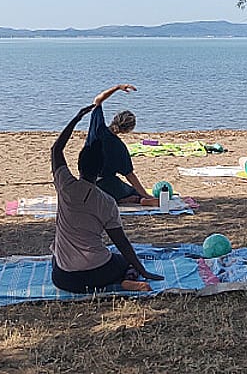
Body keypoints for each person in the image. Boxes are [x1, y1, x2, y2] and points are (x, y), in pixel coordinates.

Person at [50, 90, 164, 294]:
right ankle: (127, 279)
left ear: (79, 164)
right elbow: (122, 243)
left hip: (63, 279)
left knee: (55, 253)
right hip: (98, 273)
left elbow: (56, 150)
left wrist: (76, 119)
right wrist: (143, 270)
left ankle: (120, 279)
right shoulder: (107, 202)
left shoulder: (64, 185)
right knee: (123, 263)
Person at [85, 84, 159, 206]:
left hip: (86, 180)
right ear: (127, 130)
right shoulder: (119, 147)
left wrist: (118, 87)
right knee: (133, 191)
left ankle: (121, 199)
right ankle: (138, 199)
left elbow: (98, 100)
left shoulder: (98, 128)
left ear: (115, 118)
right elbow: (129, 175)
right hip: (106, 184)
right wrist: (145, 194)